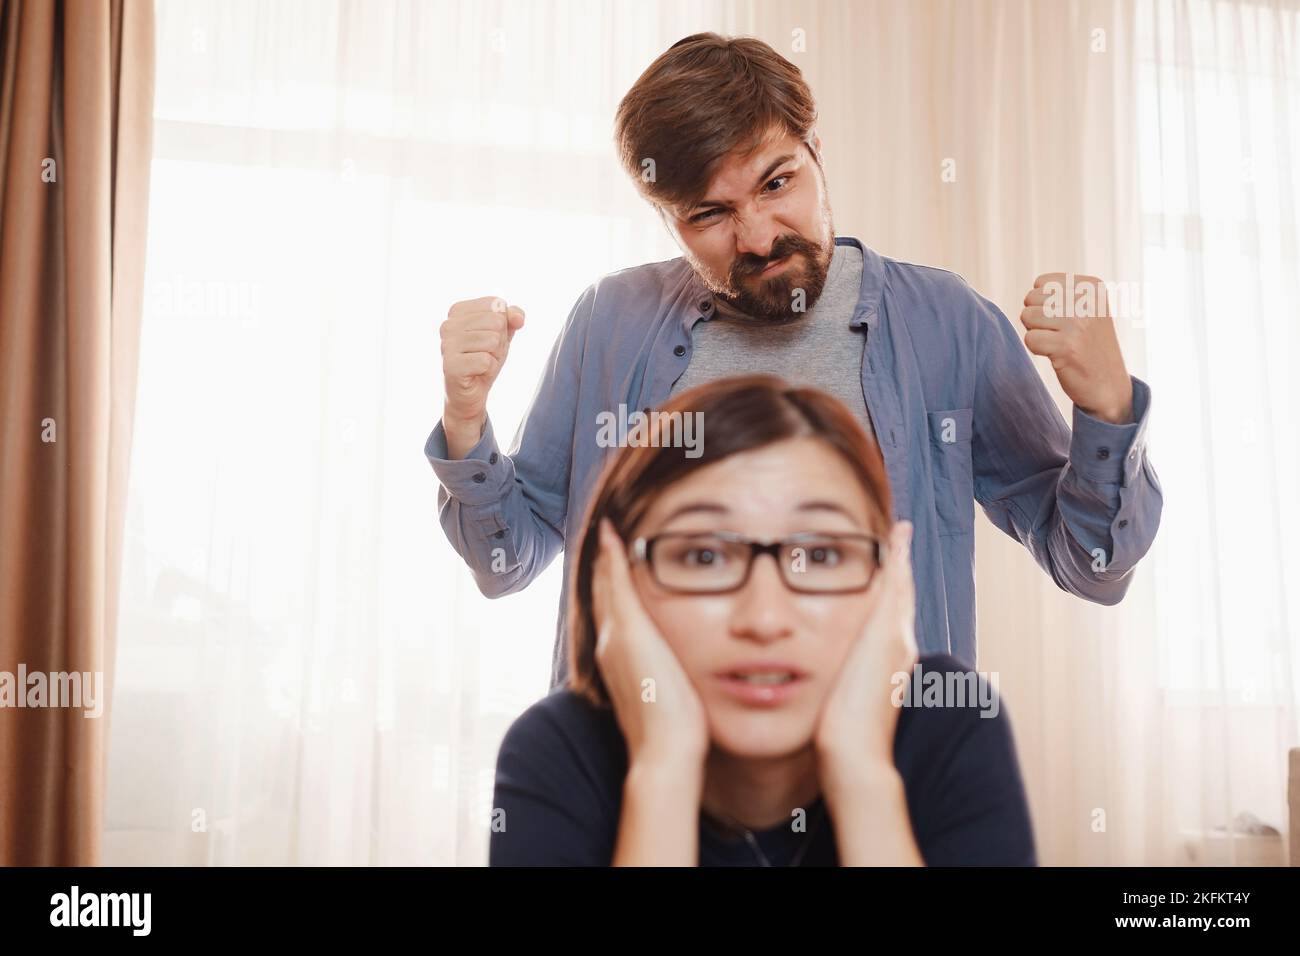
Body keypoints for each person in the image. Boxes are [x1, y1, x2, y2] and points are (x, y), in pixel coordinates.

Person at [427, 32, 1162, 688]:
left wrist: (1107, 408)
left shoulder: (947, 324)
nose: (755, 237)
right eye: (709, 215)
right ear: (666, 220)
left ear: (817, 151)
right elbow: (506, 562)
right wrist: (466, 420)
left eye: (777, 184)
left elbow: (1091, 567)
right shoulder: (611, 322)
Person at [489, 377, 1036, 866]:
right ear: (616, 575)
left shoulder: (950, 719)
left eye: (821, 556)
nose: (765, 619)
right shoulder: (559, 751)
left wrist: (862, 772)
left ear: (888, 576)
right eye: (704, 556)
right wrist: (663, 772)